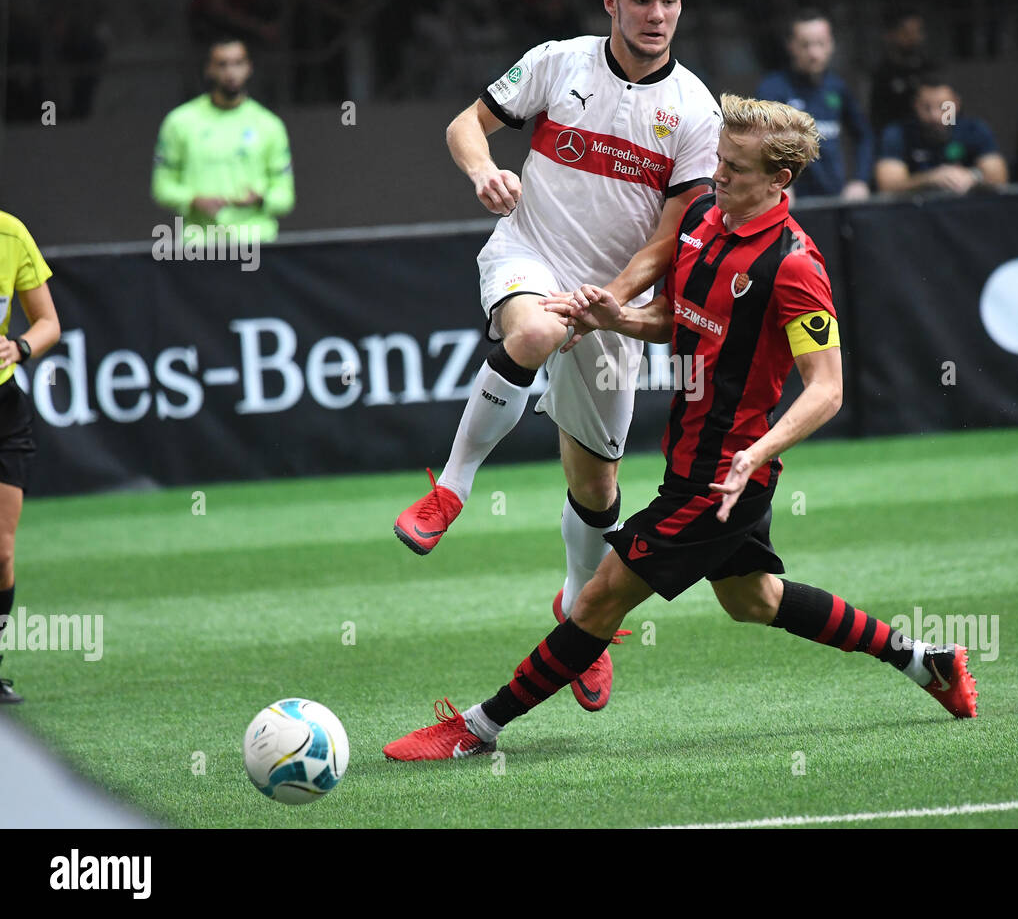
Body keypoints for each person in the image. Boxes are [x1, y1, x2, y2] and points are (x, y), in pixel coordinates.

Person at [382, 95, 977, 762]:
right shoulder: (700, 216)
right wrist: (616, 317)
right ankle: (924, 660)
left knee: (598, 600)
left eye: (736, 168)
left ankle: (475, 729)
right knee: (754, 599)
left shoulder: (796, 266)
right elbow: (676, 318)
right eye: (719, 159)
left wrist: (757, 453)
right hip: (697, 462)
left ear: (780, 181)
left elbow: (828, 391)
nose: (716, 174)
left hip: (720, 479)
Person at [392, 0, 719, 713]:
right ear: (612, 1)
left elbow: (671, 237)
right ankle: (452, 488)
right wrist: (484, 172)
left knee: (597, 484)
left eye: (668, 2)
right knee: (532, 334)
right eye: (640, 0)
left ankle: (581, 618)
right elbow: (464, 125)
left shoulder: (695, 111)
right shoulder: (557, 61)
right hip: (529, 256)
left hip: (610, 303)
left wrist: (611, 299)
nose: (656, 15)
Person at [0, 210, 63, 704]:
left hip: (3, 410)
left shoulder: (11, 232)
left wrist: (19, 346)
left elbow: (48, 323)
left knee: (1, 551)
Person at [151, 38, 296, 243]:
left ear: (249, 68)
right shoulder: (179, 122)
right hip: (200, 246)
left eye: (238, 63)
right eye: (222, 64)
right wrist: (193, 200)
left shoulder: (269, 125)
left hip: (256, 245)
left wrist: (261, 198)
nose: (230, 73)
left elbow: (285, 196)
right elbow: (162, 188)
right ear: (209, 69)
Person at [756, 9, 871, 202]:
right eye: (805, 45)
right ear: (791, 46)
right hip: (791, 201)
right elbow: (758, 142)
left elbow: (864, 135)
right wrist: (775, 183)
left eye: (820, 44)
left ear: (831, 45)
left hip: (835, 199)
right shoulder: (773, 89)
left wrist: (861, 179)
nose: (814, 53)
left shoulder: (838, 87)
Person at [875, 72, 1007, 194]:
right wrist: (930, 178)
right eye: (926, 108)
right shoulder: (898, 133)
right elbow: (888, 185)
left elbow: (999, 177)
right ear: (915, 105)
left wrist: (973, 176)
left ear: (956, 104)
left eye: (944, 107)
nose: (935, 116)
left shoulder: (974, 129)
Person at [869, 6, 933, 136]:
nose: (914, 38)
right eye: (907, 32)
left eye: (917, 32)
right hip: (896, 143)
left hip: (932, 140)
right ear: (890, 35)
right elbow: (877, 119)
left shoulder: (931, 71)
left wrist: (950, 130)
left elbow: (949, 103)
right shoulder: (882, 75)